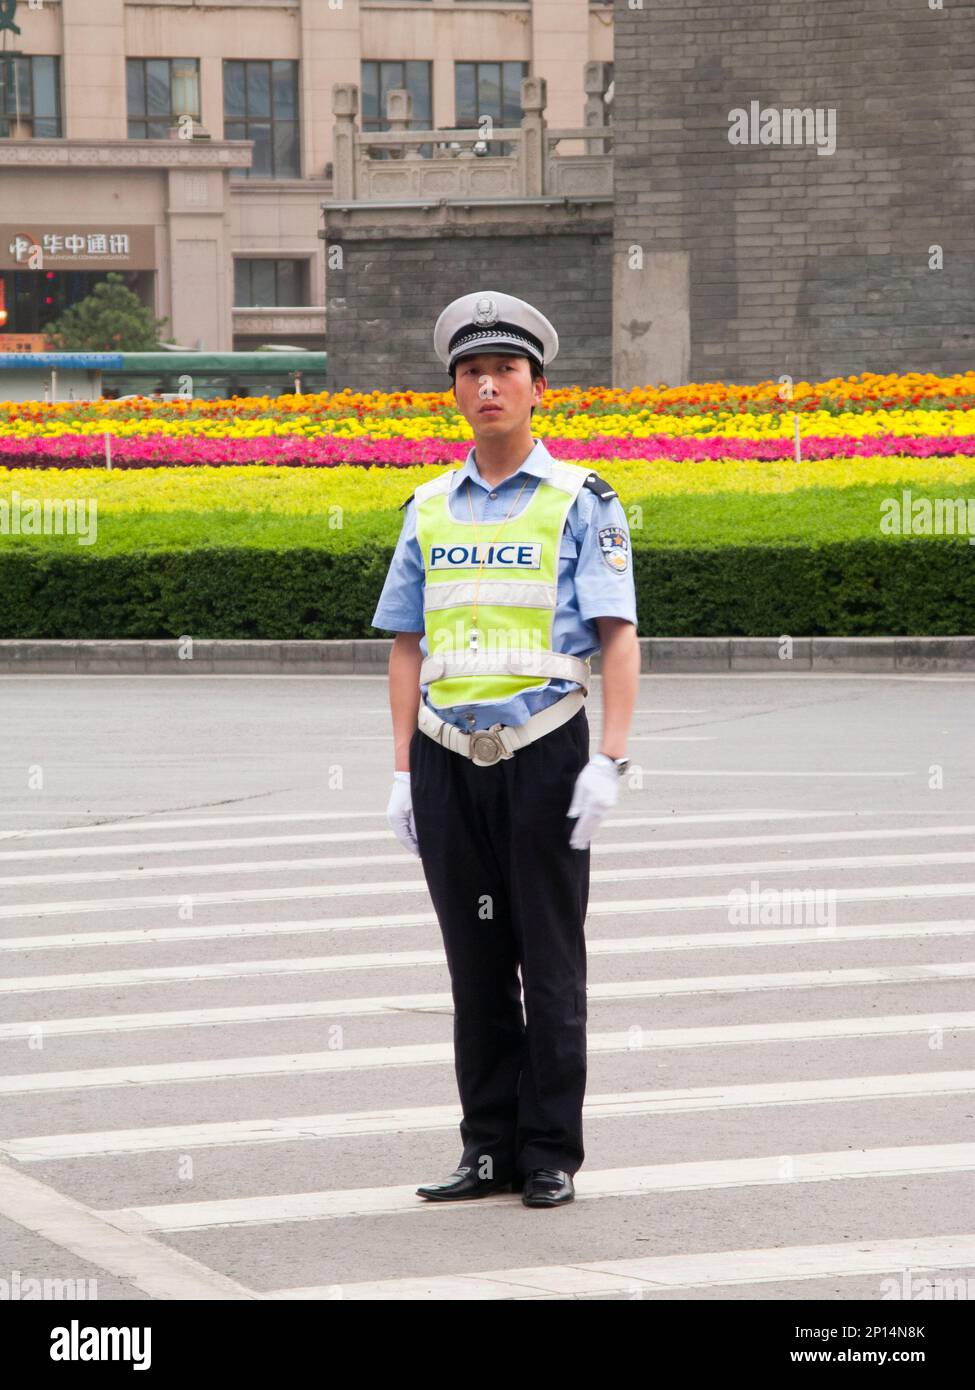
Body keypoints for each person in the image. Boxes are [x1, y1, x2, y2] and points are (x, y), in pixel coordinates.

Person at [371, 290, 640, 1208]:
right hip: (449, 757)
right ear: (454, 391)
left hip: (544, 752)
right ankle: (486, 1149)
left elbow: (616, 634)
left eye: (505, 372)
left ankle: (550, 1151)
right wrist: (404, 772)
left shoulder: (581, 499)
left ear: (537, 389)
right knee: (474, 964)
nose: (487, 386)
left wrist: (610, 757)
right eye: (470, 373)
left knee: (549, 961)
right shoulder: (427, 506)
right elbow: (407, 643)